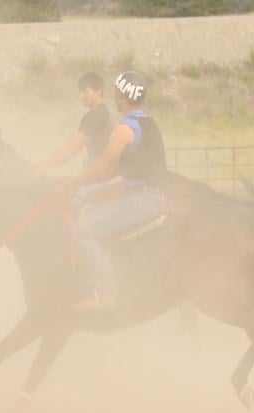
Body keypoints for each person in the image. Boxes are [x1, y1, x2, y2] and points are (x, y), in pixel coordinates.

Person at [64, 71, 168, 310]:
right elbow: (116, 170)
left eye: (116, 92)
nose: (114, 97)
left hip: (143, 198)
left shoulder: (124, 129)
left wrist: (72, 183)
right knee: (93, 203)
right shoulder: (148, 122)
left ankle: (105, 293)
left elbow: (101, 170)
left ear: (121, 96)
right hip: (154, 193)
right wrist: (83, 188)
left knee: (84, 229)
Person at [34, 72, 111, 175]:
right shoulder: (105, 111)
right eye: (80, 92)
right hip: (104, 171)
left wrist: (45, 164)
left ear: (98, 91)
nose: (81, 96)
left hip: (98, 174)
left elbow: (73, 147)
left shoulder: (97, 115)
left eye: (85, 91)